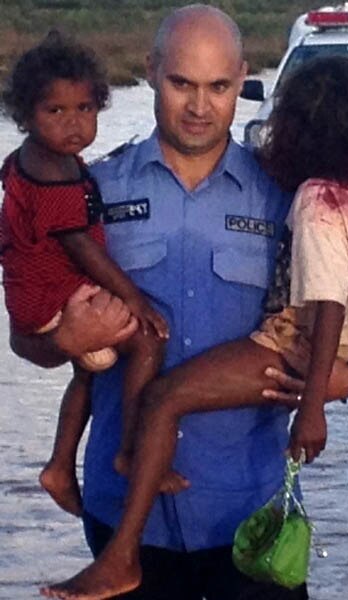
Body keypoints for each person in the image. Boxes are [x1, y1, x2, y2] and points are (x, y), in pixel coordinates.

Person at [15, 5, 348, 600]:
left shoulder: (285, 196)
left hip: (248, 519)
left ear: (242, 79)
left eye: (218, 87)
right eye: (181, 84)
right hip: (124, 521)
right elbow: (26, 331)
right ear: (149, 72)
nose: (199, 106)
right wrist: (60, 342)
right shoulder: (91, 191)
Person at [0, 31, 168, 519]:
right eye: (56, 112)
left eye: (85, 109)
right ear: (27, 115)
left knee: (87, 375)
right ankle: (132, 447)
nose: (73, 124)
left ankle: (58, 465)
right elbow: (82, 248)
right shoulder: (54, 175)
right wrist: (135, 300)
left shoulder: (37, 159)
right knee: (146, 343)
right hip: (54, 295)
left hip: (35, 294)